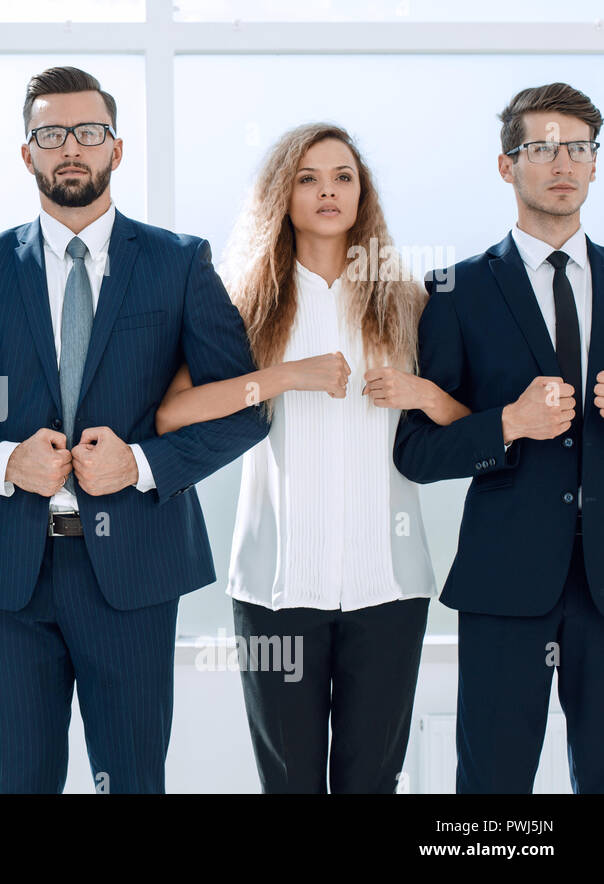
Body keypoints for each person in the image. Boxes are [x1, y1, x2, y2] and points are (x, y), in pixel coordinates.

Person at [0, 66, 268, 793]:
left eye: (88, 133)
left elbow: (245, 406)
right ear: (26, 154)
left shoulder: (179, 263)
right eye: (50, 134)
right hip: (11, 574)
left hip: (135, 569)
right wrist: (0, 463)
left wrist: (143, 465)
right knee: (21, 783)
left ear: (116, 150)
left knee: (131, 782)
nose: (70, 148)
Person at [156, 123, 472, 792]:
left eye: (342, 177)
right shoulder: (245, 306)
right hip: (275, 586)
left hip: (389, 587)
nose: (328, 190)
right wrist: (282, 377)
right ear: (282, 195)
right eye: (308, 178)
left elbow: (472, 428)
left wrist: (422, 392)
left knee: (372, 782)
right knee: (289, 782)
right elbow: (173, 412)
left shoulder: (410, 304)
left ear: (363, 194)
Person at [395, 83, 604, 793]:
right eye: (541, 148)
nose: (562, 162)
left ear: (595, 163)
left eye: (578, 147)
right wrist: (509, 423)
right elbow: (416, 453)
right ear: (505, 164)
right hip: (505, 588)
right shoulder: (454, 292)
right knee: (492, 797)